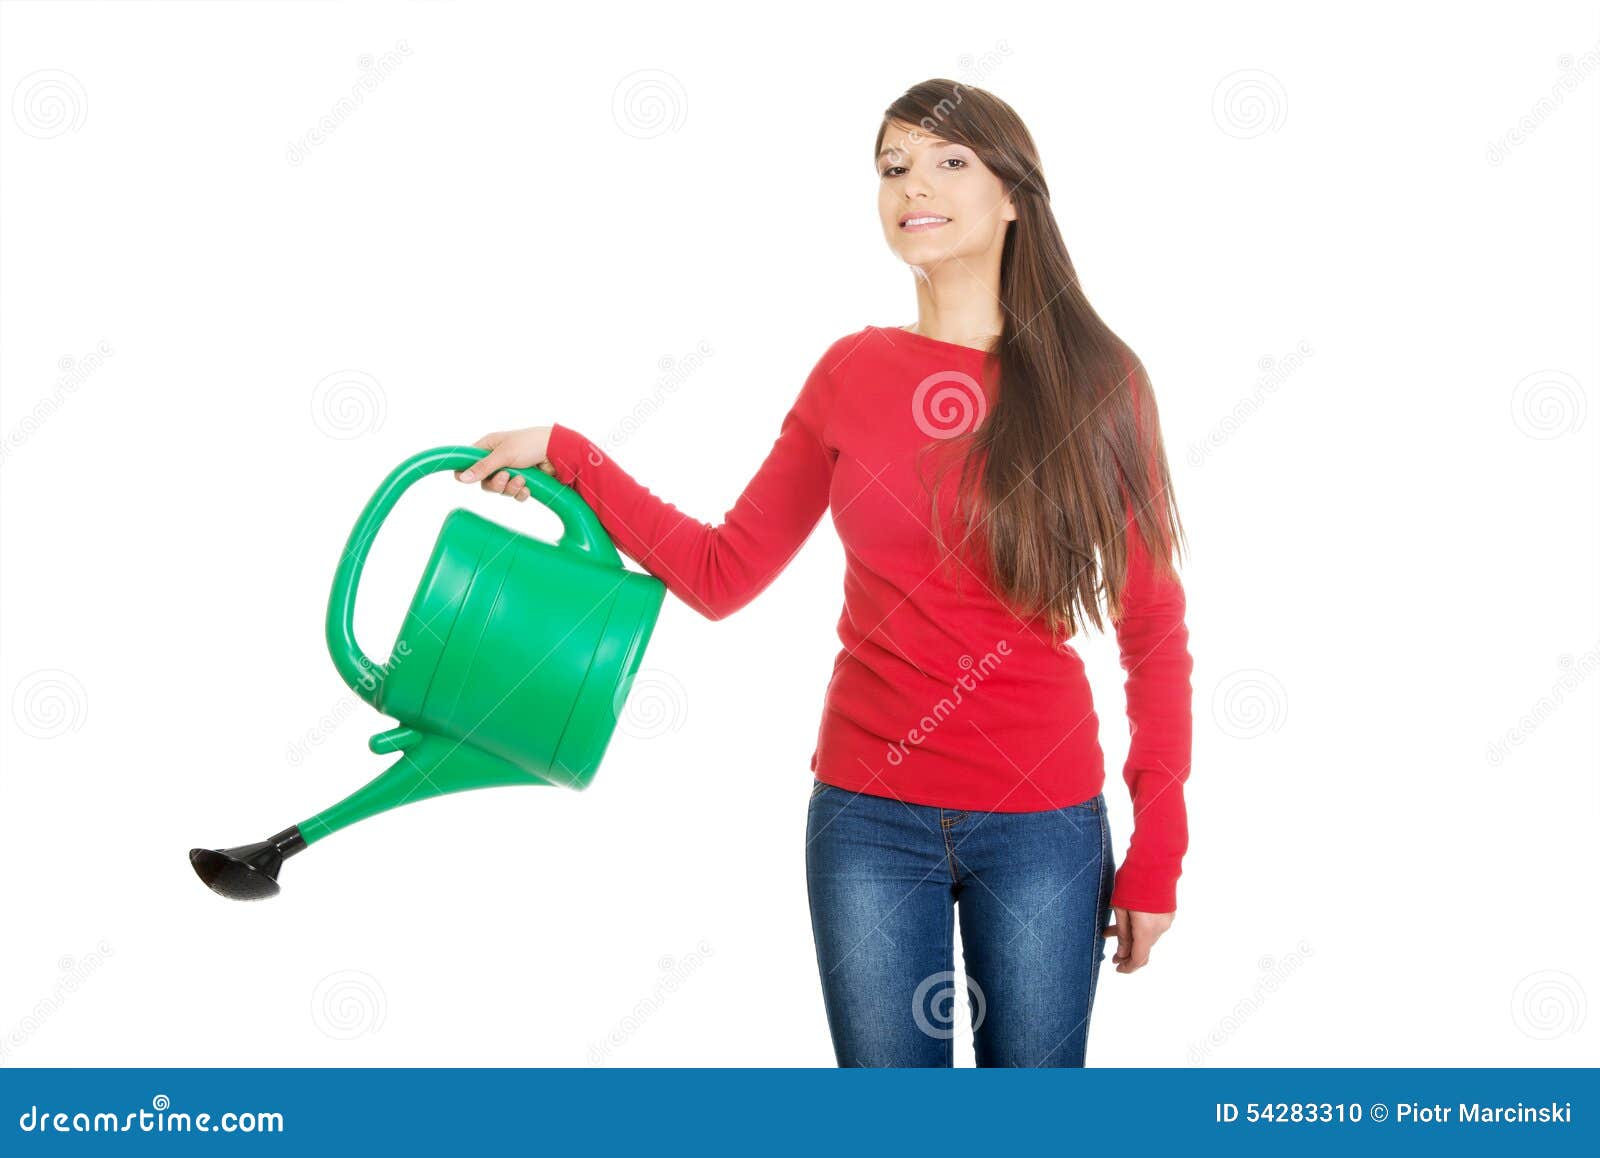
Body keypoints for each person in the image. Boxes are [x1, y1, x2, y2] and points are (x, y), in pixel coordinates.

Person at [453, 78, 1193, 1067]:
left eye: (948, 161)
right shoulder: (851, 372)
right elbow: (724, 572)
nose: (911, 184)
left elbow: (1150, 623)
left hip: (1045, 823)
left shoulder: (1100, 380)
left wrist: (1157, 851)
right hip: (867, 821)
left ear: (1015, 195)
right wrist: (572, 453)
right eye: (892, 166)